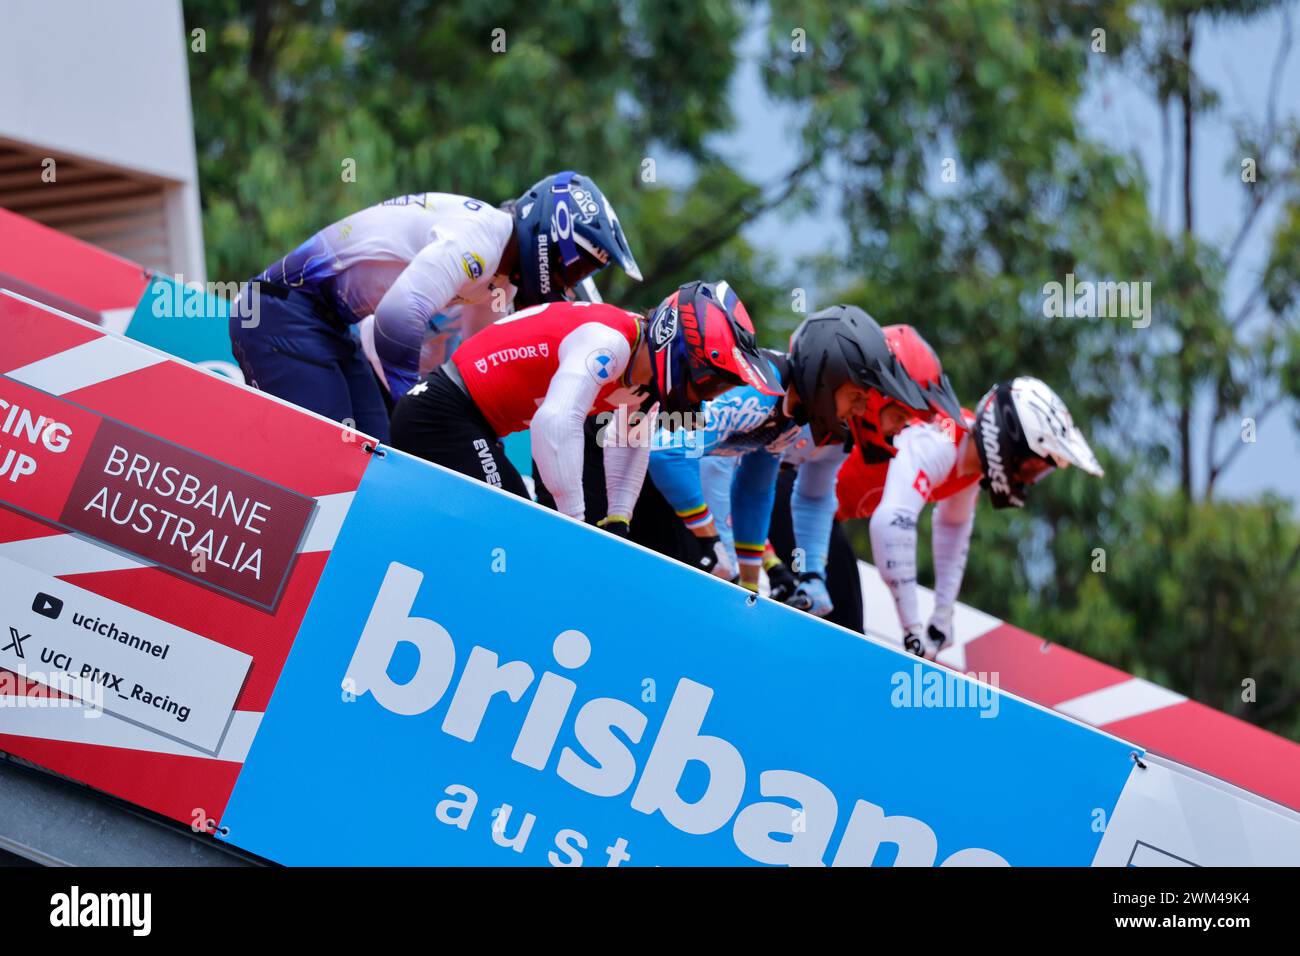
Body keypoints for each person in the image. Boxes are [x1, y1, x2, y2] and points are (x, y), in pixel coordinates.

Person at [229, 172, 640, 441]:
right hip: (280, 310)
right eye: (578, 265)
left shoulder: (499, 270)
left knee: (377, 459)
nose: (571, 283)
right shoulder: (479, 242)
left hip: (331, 326)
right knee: (332, 462)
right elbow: (395, 321)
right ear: (554, 236)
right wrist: (418, 402)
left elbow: (473, 356)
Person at [388, 280, 782, 527]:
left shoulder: (646, 377)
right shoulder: (609, 343)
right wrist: (574, 524)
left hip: (472, 424)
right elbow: (555, 422)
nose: (711, 396)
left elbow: (628, 441)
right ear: (676, 351)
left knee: (516, 531)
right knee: (517, 529)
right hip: (441, 412)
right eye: (711, 380)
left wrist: (618, 519)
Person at [645, 305, 933, 615]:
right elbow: (667, 454)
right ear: (827, 377)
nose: (862, 411)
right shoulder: (759, 393)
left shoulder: (793, 415)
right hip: (634, 456)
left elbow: (753, 492)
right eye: (857, 397)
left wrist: (750, 586)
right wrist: (712, 540)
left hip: (660, 473)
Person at [693, 323, 962, 631]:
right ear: (875, 396)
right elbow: (721, 468)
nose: (904, 430)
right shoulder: (799, 403)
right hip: (693, 471)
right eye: (901, 415)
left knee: (838, 603)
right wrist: (732, 550)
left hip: (744, 491)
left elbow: (814, 497)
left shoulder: (841, 430)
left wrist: (812, 575)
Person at [868, 376, 1104, 659]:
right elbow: (892, 525)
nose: (1028, 481)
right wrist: (913, 632)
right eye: (1030, 468)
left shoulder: (969, 466)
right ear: (1007, 440)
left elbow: (952, 527)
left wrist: (941, 617)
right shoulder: (942, 441)